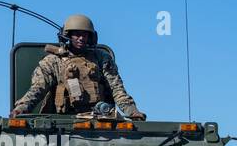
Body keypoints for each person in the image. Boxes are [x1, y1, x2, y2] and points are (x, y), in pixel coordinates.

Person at [12, 14, 145, 119]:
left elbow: (116, 88)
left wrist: (132, 111)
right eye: (77, 34)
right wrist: (22, 108)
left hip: (98, 119)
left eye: (85, 34)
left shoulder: (101, 58)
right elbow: (37, 89)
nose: (81, 38)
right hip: (62, 122)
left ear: (91, 37)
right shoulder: (53, 61)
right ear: (68, 35)